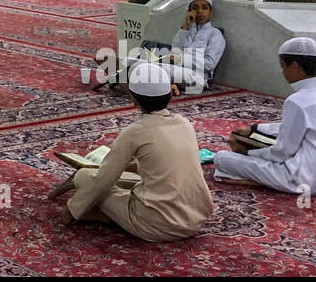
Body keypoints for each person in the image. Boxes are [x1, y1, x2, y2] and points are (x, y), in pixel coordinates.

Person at [61, 61, 213, 242]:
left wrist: (73, 209)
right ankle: (114, 214)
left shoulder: (135, 131)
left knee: (85, 176)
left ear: (134, 101)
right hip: (196, 219)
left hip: (157, 225)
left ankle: (109, 216)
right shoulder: (184, 124)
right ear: (170, 96)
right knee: (134, 181)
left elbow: (103, 180)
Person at [213, 37, 316, 196]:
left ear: (295, 66)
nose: (281, 72)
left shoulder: (297, 101)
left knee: (222, 158)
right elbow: (290, 127)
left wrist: (247, 152)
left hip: (303, 180)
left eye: (282, 66)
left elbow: (282, 153)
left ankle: (256, 179)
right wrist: (254, 129)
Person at [164, 0, 225, 92]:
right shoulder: (186, 30)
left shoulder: (215, 34)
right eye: (195, 8)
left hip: (198, 78)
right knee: (145, 65)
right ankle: (169, 87)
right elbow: (175, 50)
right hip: (179, 71)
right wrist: (186, 24)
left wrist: (180, 59)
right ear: (189, 12)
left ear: (210, 13)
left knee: (158, 69)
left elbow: (209, 64)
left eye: (204, 8)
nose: (200, 11)